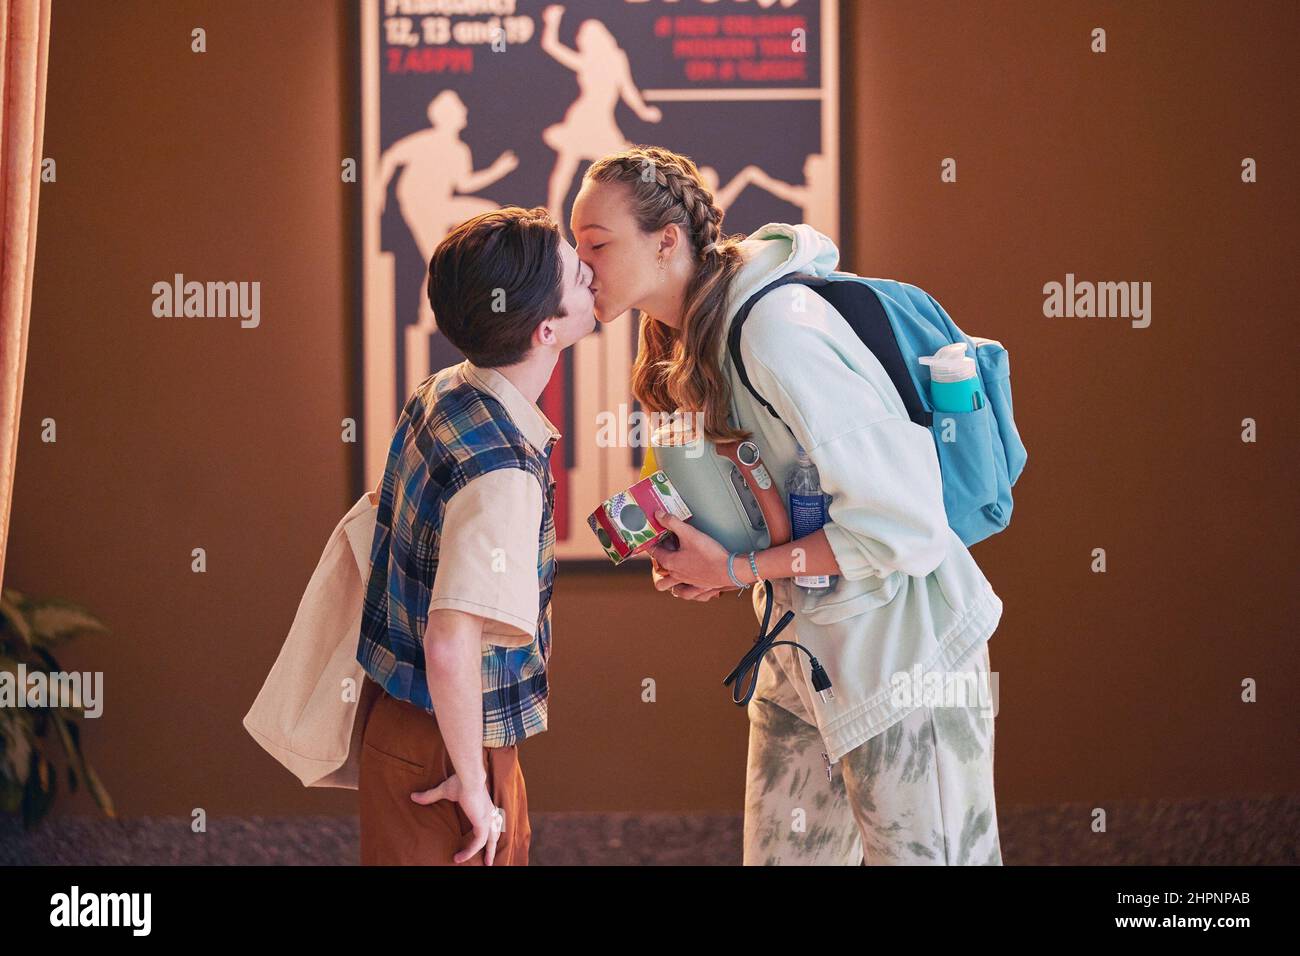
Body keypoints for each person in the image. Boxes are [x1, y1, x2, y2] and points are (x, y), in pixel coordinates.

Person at [569, 145, 1004, 865]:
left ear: (667, 240)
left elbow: (904, 524)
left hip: (905, 659)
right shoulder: (697, 345)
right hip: (803, 656)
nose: (583, 265)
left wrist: (738, 568)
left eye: (598, 244)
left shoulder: (775, 332)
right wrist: (715, 562)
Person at [355, 206, 597, 865]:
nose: (594, 275)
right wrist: (471, 779)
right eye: (580, 275)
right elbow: (450, 646)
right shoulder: (502, 472)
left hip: (406, 725)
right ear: (548, 329)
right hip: (448, 745)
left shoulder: (445, 390)